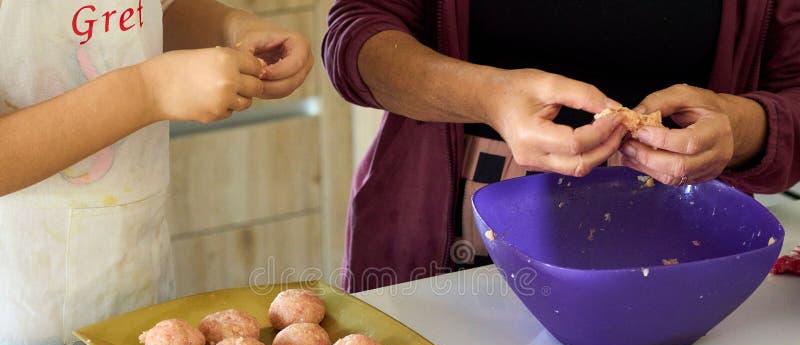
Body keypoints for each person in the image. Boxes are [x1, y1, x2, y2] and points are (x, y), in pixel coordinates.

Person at [322, 0, 800, 293]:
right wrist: (488, 98)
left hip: (687, 268)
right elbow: (355, 38)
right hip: (451, 258)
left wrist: (743, 127)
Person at [0, 0, 313, 345]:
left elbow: (151, 14)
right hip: (22, 309)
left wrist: (232, 28)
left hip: (137, 272)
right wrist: (148, 90)